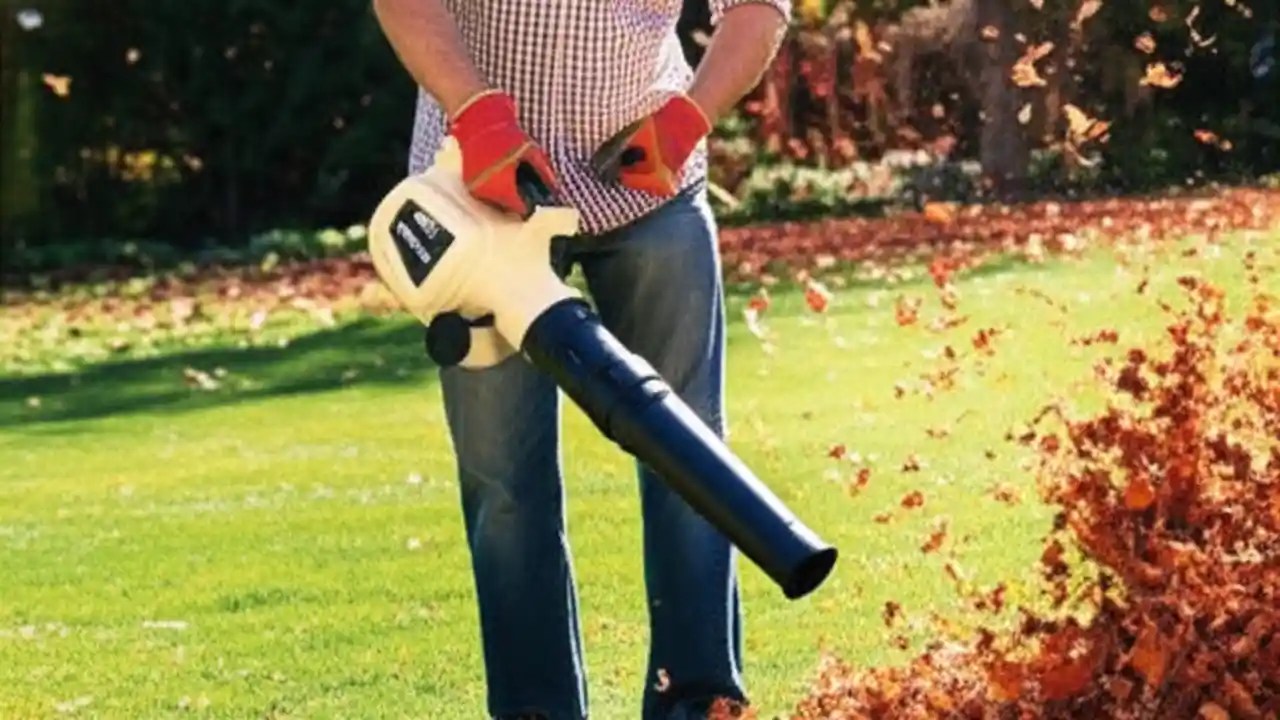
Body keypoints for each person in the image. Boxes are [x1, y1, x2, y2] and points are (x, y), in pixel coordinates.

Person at [371, 1, 792, 718]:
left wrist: (692, 116)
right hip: (479, 190)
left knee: (690, 455)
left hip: (647, 188)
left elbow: (760, 7)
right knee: (506, 484)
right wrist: (475, 113)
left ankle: (698, 702)